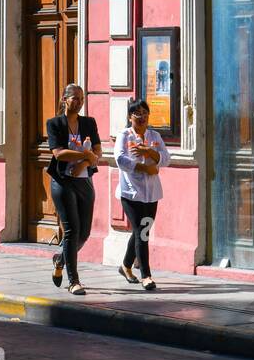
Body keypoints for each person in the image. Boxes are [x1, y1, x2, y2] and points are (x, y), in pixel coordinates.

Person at [46, 84, 102, 295]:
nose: (78, 102)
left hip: (83, 181)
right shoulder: (54, 124)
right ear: (64, 99)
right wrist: (85, 156)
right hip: (62, 182)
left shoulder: (88, 123)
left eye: (81, 99)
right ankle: (74, 281)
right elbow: (59, 153)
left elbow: (97, 150)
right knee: (71, 231)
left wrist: (84, 163)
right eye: (74, 98)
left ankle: (60, 259)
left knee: (84, 233)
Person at [114, 98, 170, 291]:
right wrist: (142, 168)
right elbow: (120, 159)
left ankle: (125, 266)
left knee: (142, 231)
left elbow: (166, 158)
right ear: (130, 117)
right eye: (138, 114)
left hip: (152, 193)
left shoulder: (154, 135)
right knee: (142, 233)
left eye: (145, 113)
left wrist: (149, 152)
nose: (142, 117)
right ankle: (146, 275)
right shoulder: (125, 135)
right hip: (131, 193)